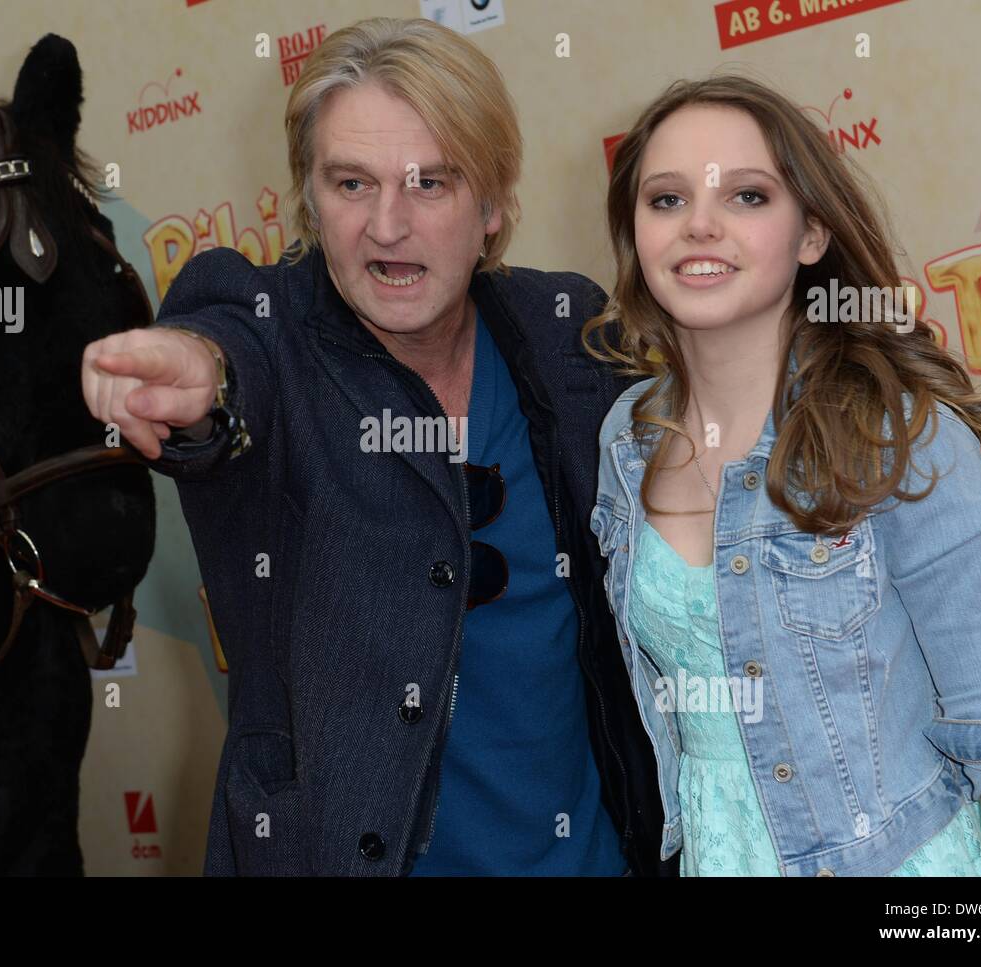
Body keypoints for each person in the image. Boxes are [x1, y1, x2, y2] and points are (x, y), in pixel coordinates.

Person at [81, 17, 673, 876]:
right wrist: (201, 375)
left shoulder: (567, 332)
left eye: (431, 182)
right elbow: (224, 352)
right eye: (351, 182)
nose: (387, 226)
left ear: (495, 204)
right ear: (311, 200)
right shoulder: (270, 334)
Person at [586, 74, 981, 876]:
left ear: (811, 235)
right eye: (665, 200)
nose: (699, 225)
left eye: (745, 196)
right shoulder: (626, 438)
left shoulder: (898, 431)